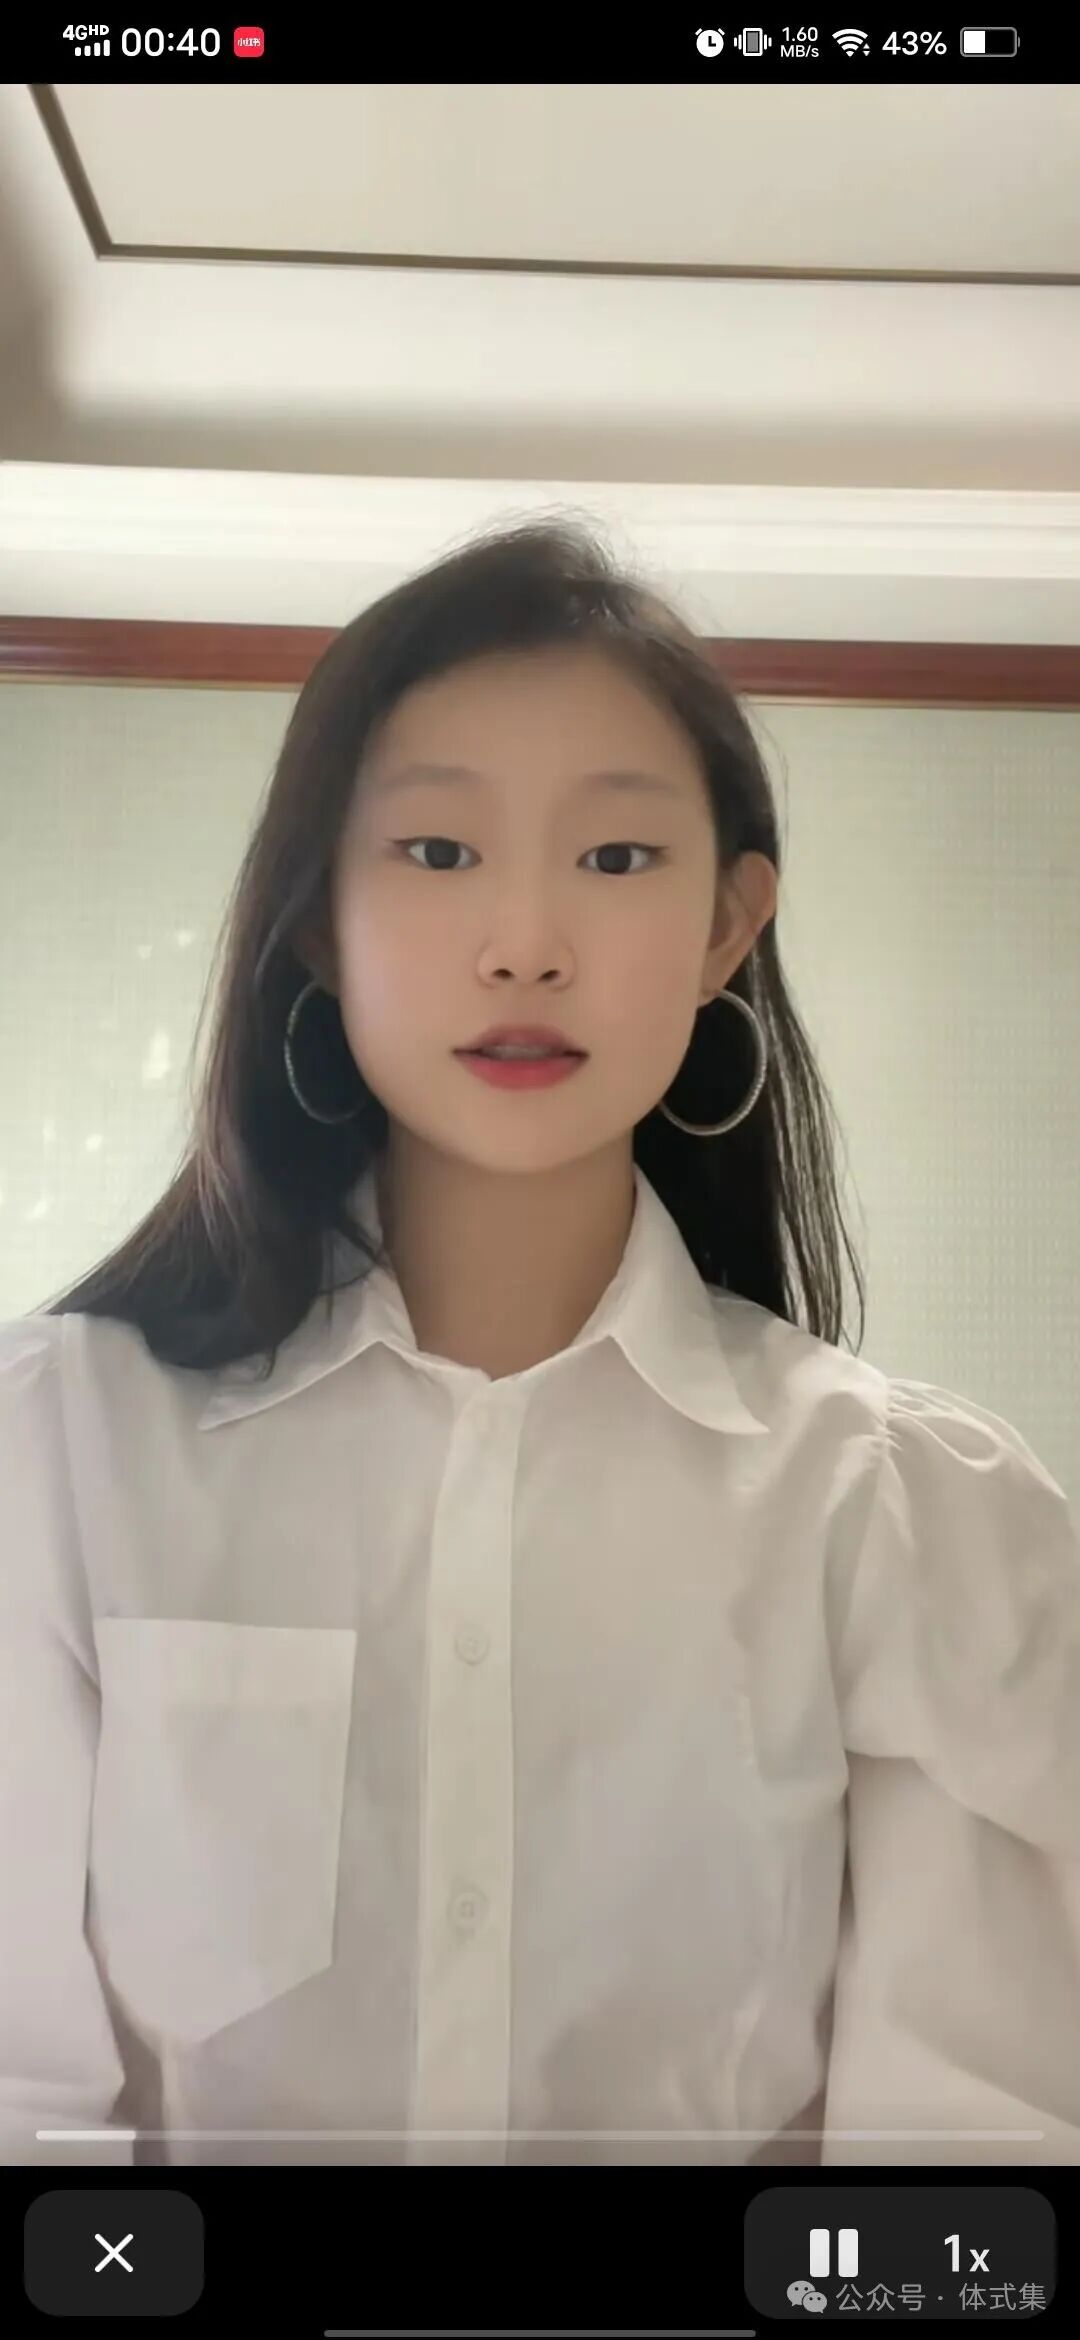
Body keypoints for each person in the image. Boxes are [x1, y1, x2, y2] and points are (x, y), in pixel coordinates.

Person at [2, 518, 1079, 2171]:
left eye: (618, 857)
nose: (524, 940)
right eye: (437, 852)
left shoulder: (899, 1517)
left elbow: (965, 2159)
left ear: (728, 929)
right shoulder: (63, 1452)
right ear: (316, 920)